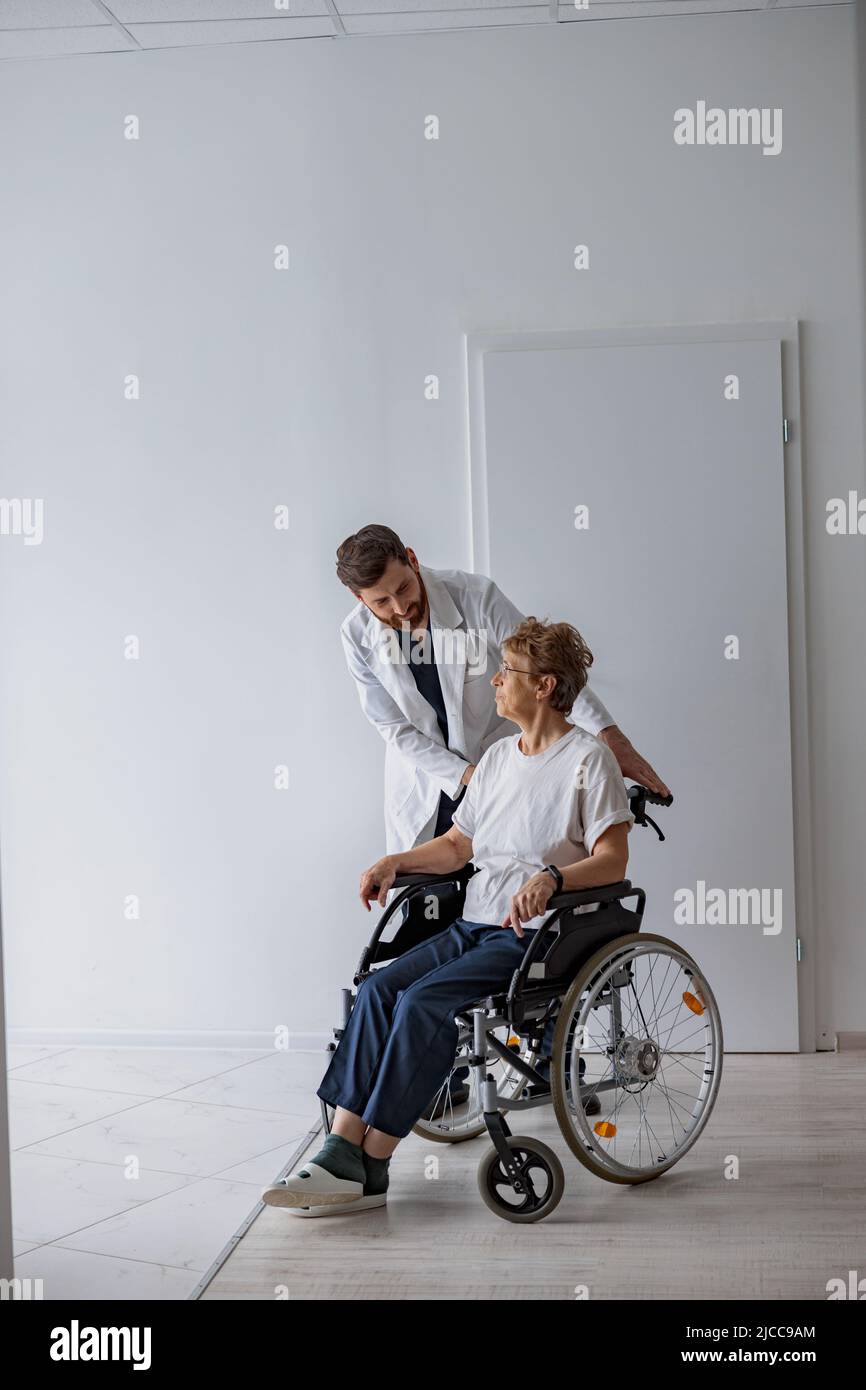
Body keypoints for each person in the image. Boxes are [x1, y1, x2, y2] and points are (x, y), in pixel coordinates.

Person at [262, 617, 634, 1214]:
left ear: (543, 686)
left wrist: (554, 877)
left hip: (533, 936)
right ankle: (340, 1145)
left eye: (507, 671)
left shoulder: (588, 762)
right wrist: (395, 861)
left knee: (422, 1002)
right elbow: (458, 847)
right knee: (381, 988)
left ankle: (374, 1160)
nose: (495, 680)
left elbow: (613, 860)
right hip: (475, 921)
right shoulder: (494, 760)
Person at [333, 523, 667, 1105]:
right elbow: (393, 728)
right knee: (435, 926)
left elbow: (549, 672)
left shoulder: (474, 597)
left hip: (518, 765)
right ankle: (440, 1077)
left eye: (403, 589)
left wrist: (613, 741)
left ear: (413, 559)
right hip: (438, 787)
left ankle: (548, 1062)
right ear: (359, 602)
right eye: (380, 602)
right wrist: (471, 780)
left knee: (520, 922)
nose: (399, 607)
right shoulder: (359, 635)